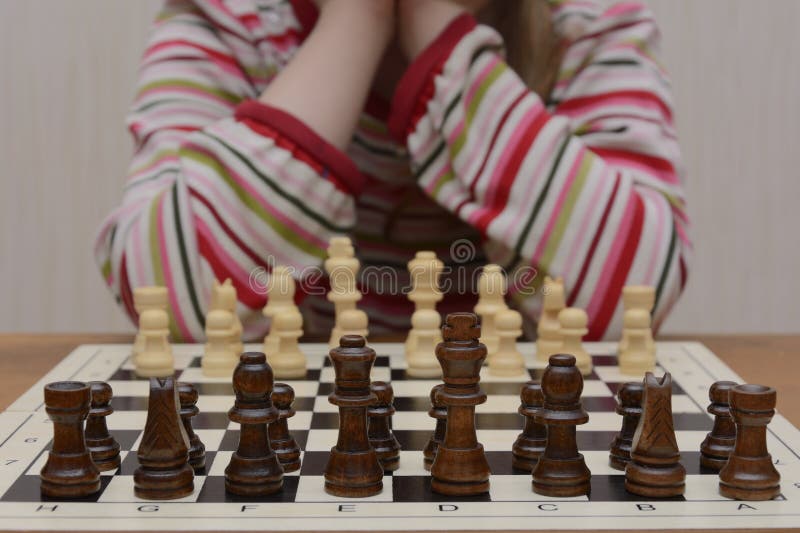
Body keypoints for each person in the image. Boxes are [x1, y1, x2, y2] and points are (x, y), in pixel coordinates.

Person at [95, 0, 691, 342]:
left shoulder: (585, 22)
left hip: (518, 465)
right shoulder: (229, 21)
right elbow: (166, 303)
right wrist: (359, 17)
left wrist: (441, 41)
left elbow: (632, 302)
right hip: (295, 468)